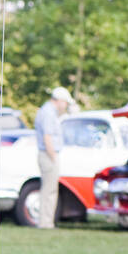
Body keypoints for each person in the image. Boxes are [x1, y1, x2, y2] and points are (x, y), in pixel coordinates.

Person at [35, 86, 72, 229]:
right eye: (65, 102)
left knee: (49, 189)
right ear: (59, 100)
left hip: (47, 154)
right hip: (48, 154)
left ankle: (46, 221)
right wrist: (53, 156)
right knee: (49, 190)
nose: (66, 106)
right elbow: (47, 137)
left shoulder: (47, 111)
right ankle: (45, 222)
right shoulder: (49, 113)